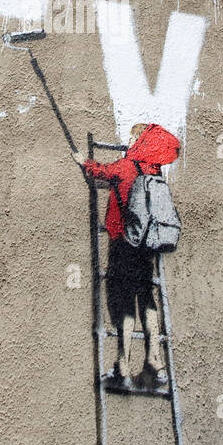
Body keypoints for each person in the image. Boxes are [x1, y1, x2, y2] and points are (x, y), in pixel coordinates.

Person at [80, 122, 180, 391]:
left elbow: (99, 172)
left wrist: (83, 160)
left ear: (139, 140)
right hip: (147, 246)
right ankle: (155, 362)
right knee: (147, 299)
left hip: (123, 243)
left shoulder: (126, 167)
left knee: (124, 304)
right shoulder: (154, 171)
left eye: (133, 137)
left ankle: (122, 365)